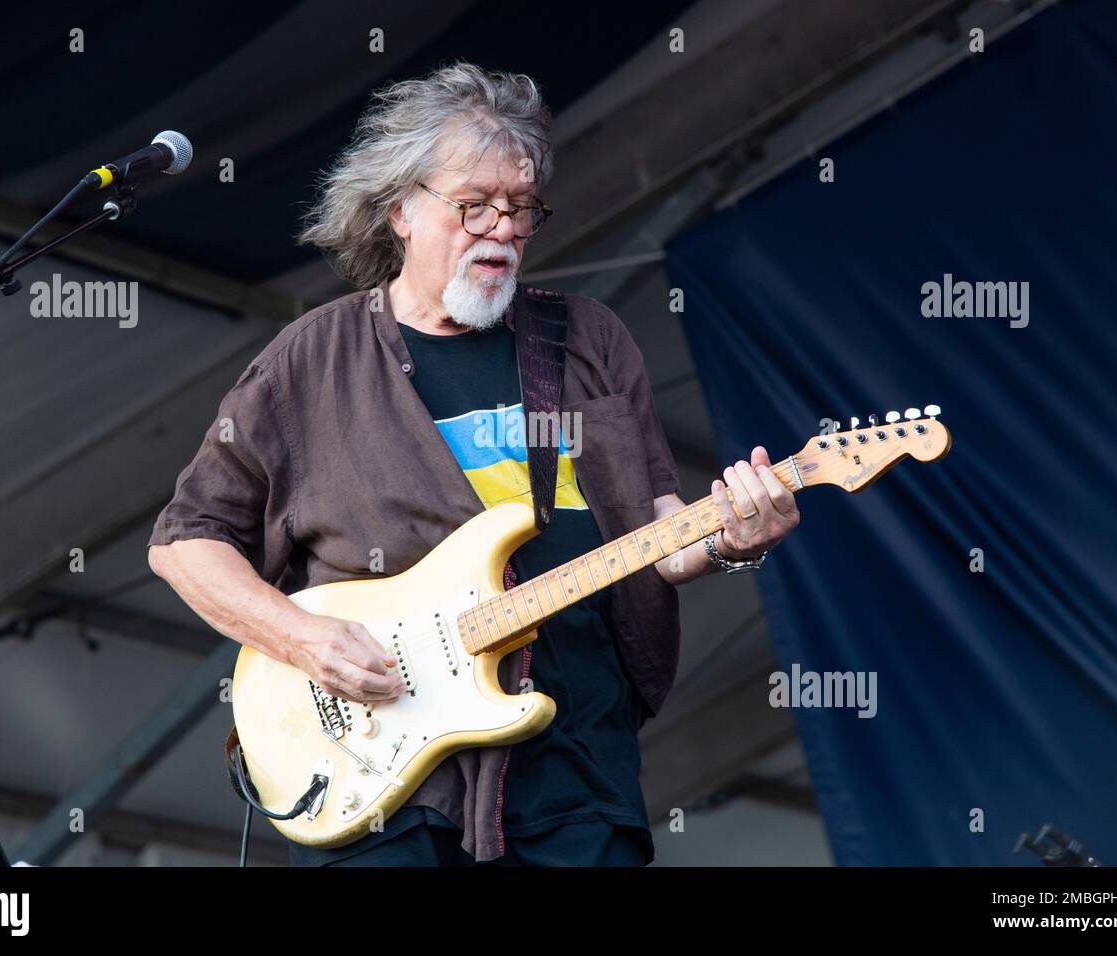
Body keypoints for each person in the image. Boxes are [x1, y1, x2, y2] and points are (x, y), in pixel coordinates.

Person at [146, 62, 799, 867]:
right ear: (400, 211)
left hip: (574, 769)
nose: (503, 228)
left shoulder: (588, 340)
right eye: (473, 205)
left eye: (521, 208)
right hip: (383, 786)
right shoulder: (312, 360)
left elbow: (660, 532)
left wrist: (738, 536)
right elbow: (186, 541)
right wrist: (303, 640)